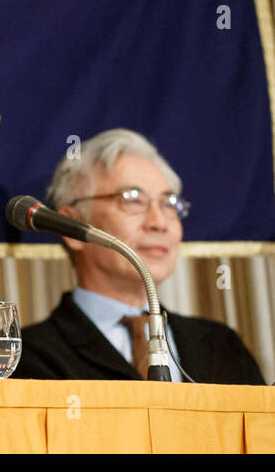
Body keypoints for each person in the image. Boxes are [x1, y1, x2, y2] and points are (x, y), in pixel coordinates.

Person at [14, 128, 264, 384]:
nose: (159, 223)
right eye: (132, 200)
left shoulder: (222, 345)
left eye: (169, 204)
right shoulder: (27, 357)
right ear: (71, 226)